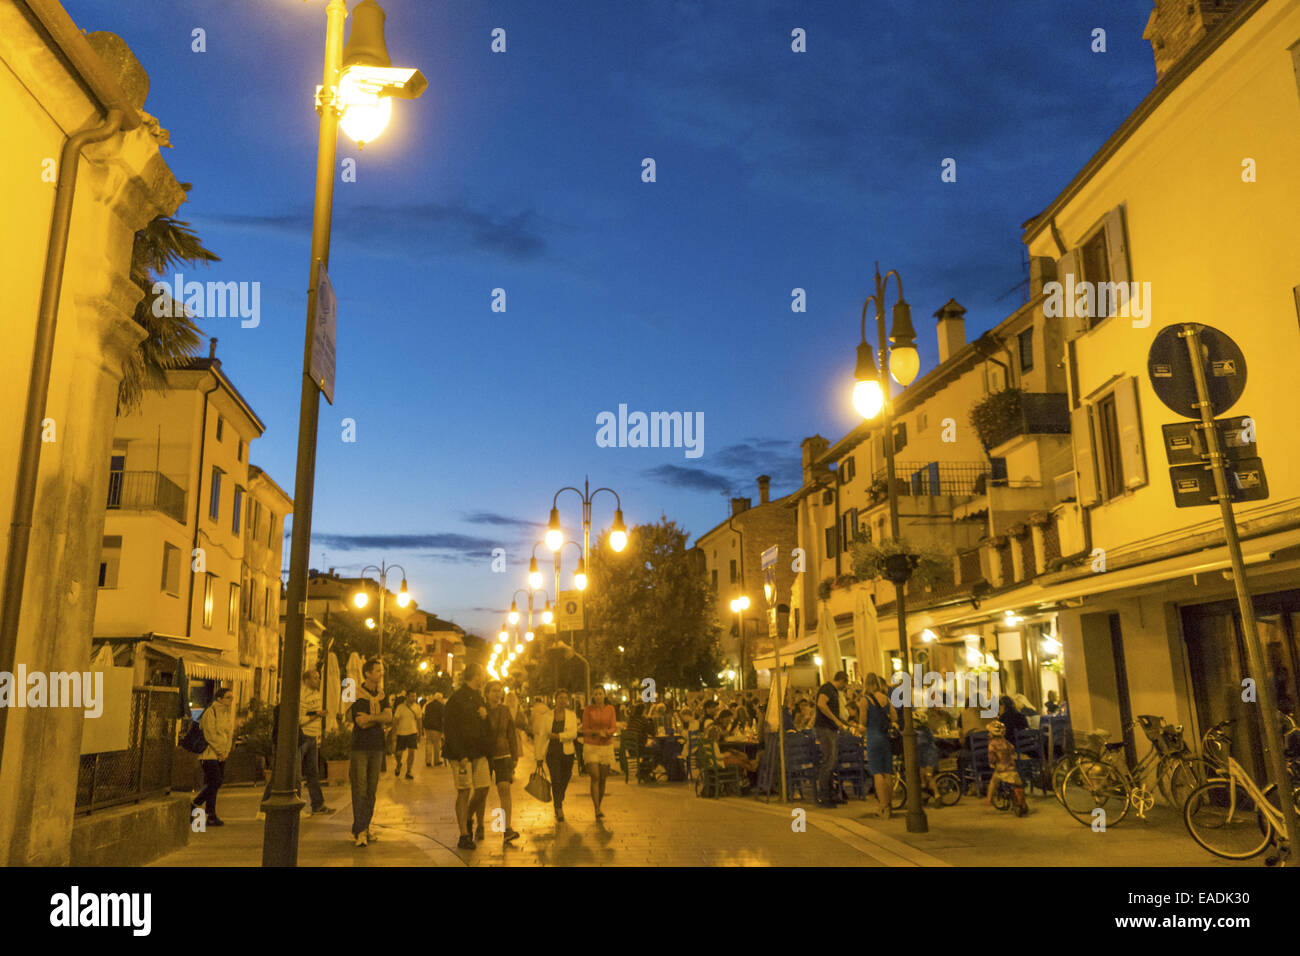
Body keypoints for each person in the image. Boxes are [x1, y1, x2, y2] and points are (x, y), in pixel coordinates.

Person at [261, 669, 334, 817]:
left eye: (318, 677)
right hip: (302, 737)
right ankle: (290, 806)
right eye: (315, 678)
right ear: (306, 680)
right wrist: (316, 715)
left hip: (313, 737)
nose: (318, 680)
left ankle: (318, 804)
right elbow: (299, 719)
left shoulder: (318, 695)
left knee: (313, 773)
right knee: (295, 774)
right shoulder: (300, 696)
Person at [444, 663, 492, 850]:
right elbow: (450, 729)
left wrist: (484, 716)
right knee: (464, 791)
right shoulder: (456, 699)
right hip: (461, 754)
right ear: (476, 676)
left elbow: (485, 726)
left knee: (483, 788)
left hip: (479, 752)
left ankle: (468, 816)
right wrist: (460, 754)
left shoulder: (479, 698)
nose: (483, 679)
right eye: (481, 676)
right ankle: (464, 834)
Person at [349, 659, 392, 847]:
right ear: (367, 673)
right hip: (360, 746)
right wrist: (379, 718)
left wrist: (372, 718)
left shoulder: (383, 694)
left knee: (372, 789)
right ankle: (360, 830)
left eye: (381, 671)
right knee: (360, 789)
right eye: (377, 671)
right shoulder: (356, 694)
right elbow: (360, 722)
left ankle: (364, 827)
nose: (380, 674)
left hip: (377, 746)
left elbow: (389, 717)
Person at [484, 680, 521, 843]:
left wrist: (514, 756)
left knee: (504, 789)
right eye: (493, 691)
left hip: (503, 754)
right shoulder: (481, 710)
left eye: (499, 691)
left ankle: (506, 828)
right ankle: (478, 824)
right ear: (486, 693)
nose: (497, 694)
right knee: (481, 792)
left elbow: (511, 733)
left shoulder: (505, 711)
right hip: (484, 755)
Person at [535, 689, 579, 822]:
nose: (562, 700)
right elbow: (542, 736)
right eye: (560, 697)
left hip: (567, 752)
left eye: (565, 698)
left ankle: (559, 798)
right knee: (556, 779)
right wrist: (539, 757)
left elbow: (573, 734)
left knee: (566, 776)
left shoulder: (571, 715)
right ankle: (558, 807)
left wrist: (559, 736)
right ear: (555, 699)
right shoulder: (547, 716)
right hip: (552, 752)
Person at [192, 686, 234, 826]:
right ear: (219, 699)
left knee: (215, 784)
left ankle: (210, 814)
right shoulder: (211, 712)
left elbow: (229, 734)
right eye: (228, 697)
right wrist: (219, 751)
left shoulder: (227, 713)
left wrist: (226, 751)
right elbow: (209, 734)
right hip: (209, 754)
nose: (231, 700)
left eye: (232, 698)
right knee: (215, 781)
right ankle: (196, 804)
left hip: (222, 754)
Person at [859, 673, 897, 819]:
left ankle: (882, 806)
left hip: (873, 738)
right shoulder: (886, 699)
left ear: (867, 684)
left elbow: (863, 722)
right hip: (885, 738)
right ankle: (889, 806)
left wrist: (859, 727)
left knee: (877, 773)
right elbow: (894, 717)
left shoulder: (865, 700)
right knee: (888, 773)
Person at [814, 671, 852, 808]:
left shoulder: (833, 691)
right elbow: (821, 704)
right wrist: (836, 721)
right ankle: (824, 796)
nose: (845, 686)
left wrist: (845, 724)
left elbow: (832, 711)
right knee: (828, 761)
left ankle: (831, 794)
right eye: (845, 683)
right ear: (841, 680)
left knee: (832, 761)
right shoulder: (827, 688)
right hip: (825, 729)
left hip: (831, 729)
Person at [582, 685, 618, 818]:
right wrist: (597, 732)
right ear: (593, 696)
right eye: (596, 694)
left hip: (606, 746)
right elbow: (584, 729)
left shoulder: (611, 709)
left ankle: (599, 804)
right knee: (595, 776)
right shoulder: (588, 710)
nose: (598, 696)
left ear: (604, 695)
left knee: (603, 778)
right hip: (591, 746)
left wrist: (607, 733)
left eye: (600, 693)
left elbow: (613, 726)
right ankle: (596, 808)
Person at [985, 718, 1028, 815]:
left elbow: (992, 757)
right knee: (1019, 784)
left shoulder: (992, 744)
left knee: (993, 782)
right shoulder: (1007, 743)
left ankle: (989, 799)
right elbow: (1013, 753)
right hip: (1012, 769)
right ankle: (1023, 802)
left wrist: (992, 764)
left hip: (1001, 770)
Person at [392, 692, 422, 779]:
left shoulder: (417, 707)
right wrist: (394, 733)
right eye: (412, 696)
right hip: (401, 733)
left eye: (415, 696)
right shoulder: (400, 707)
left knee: (412, 753)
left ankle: (409, 771)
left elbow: (419, 721)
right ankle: (398, 764)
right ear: (407, 697)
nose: (414, 698)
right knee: (398, 753)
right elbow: (395, 720)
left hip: (412, 732)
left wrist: (419, 733)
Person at [423, 691, 445, 767]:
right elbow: (443, 718)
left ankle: (428, 761)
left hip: (428, 727)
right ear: (439, 698)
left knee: (428, 743)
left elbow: (425, 715)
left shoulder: (428, 705)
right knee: (436, 745)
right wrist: (443, 729)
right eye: (441, 698)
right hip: (436, 727)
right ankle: (436, 761)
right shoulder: (441, 706)